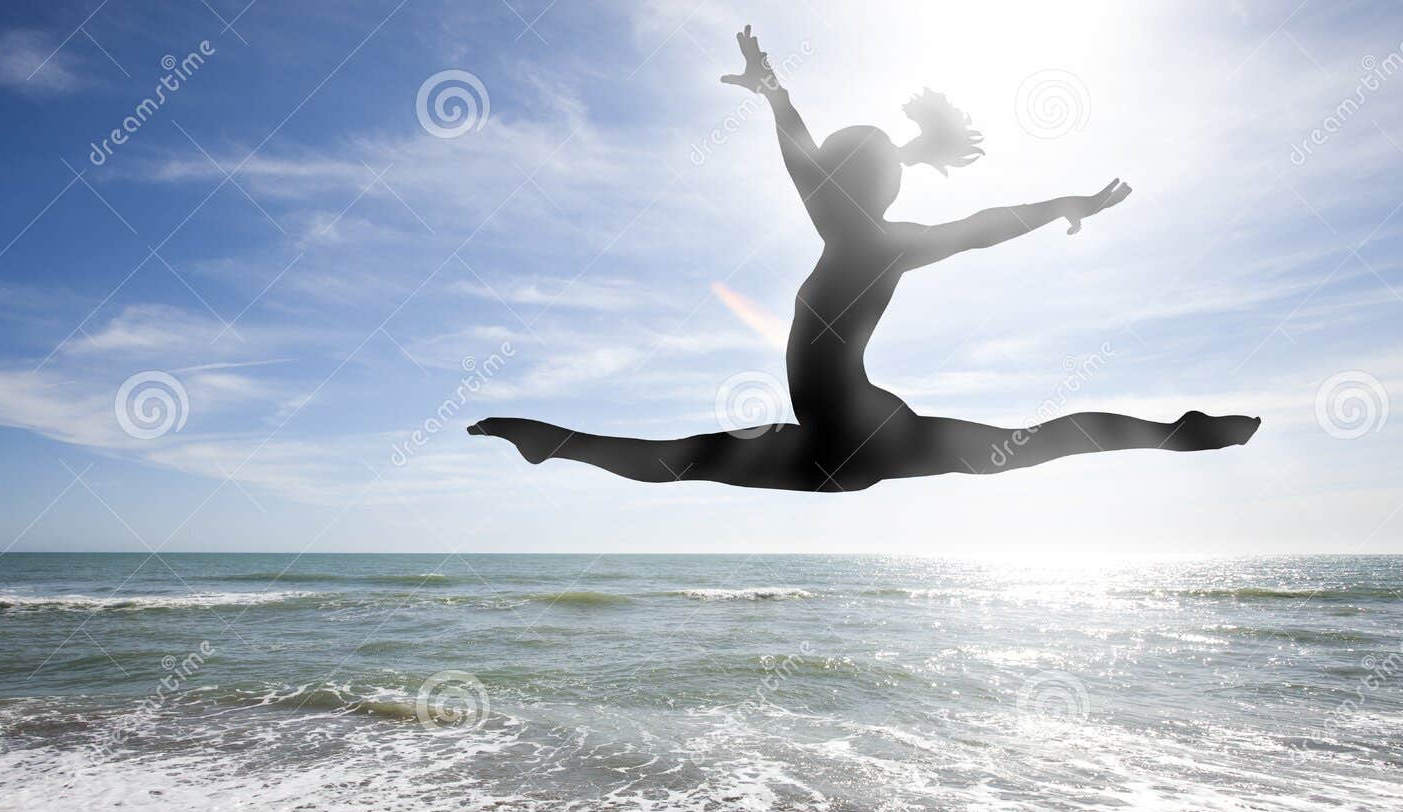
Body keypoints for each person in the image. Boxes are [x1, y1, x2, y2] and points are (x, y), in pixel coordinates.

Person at [470, 25, 1258, 491]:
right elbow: (820, 157)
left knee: (685, 460)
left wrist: (1066, 204)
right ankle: (1175, 432)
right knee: (1027, 445)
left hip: (851, 433)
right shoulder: (872, 232)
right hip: (850, 439)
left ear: (848, 187)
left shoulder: (868, 235)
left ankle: (1176, 430)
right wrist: (776, 91)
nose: (816, 182)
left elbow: (976, 219)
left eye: (834, 175)